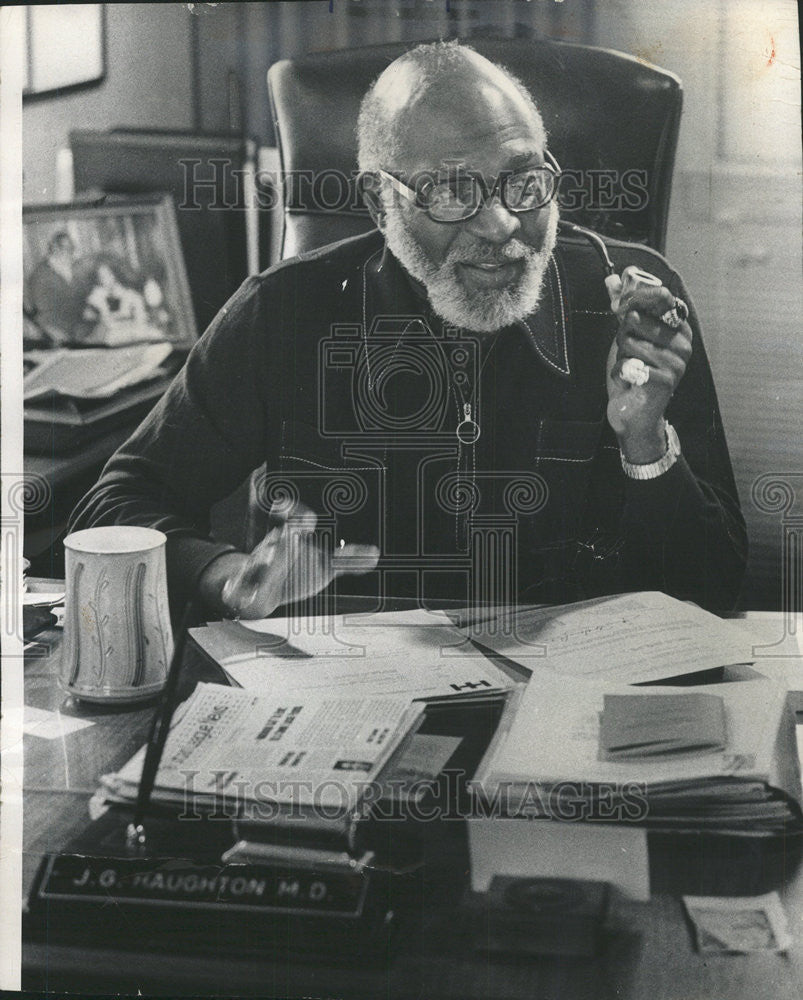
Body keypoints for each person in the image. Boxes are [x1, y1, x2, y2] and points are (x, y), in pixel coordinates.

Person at [69, 41, 746, 619]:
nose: (502, 226)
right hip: (344, 715)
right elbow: (113, 506)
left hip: (569, 724)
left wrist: (644, 441)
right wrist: (228, 575)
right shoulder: (285, 312)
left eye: (522, 181)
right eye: (452, 192)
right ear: (378, 200)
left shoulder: (631, 305)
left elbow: (717, 593)